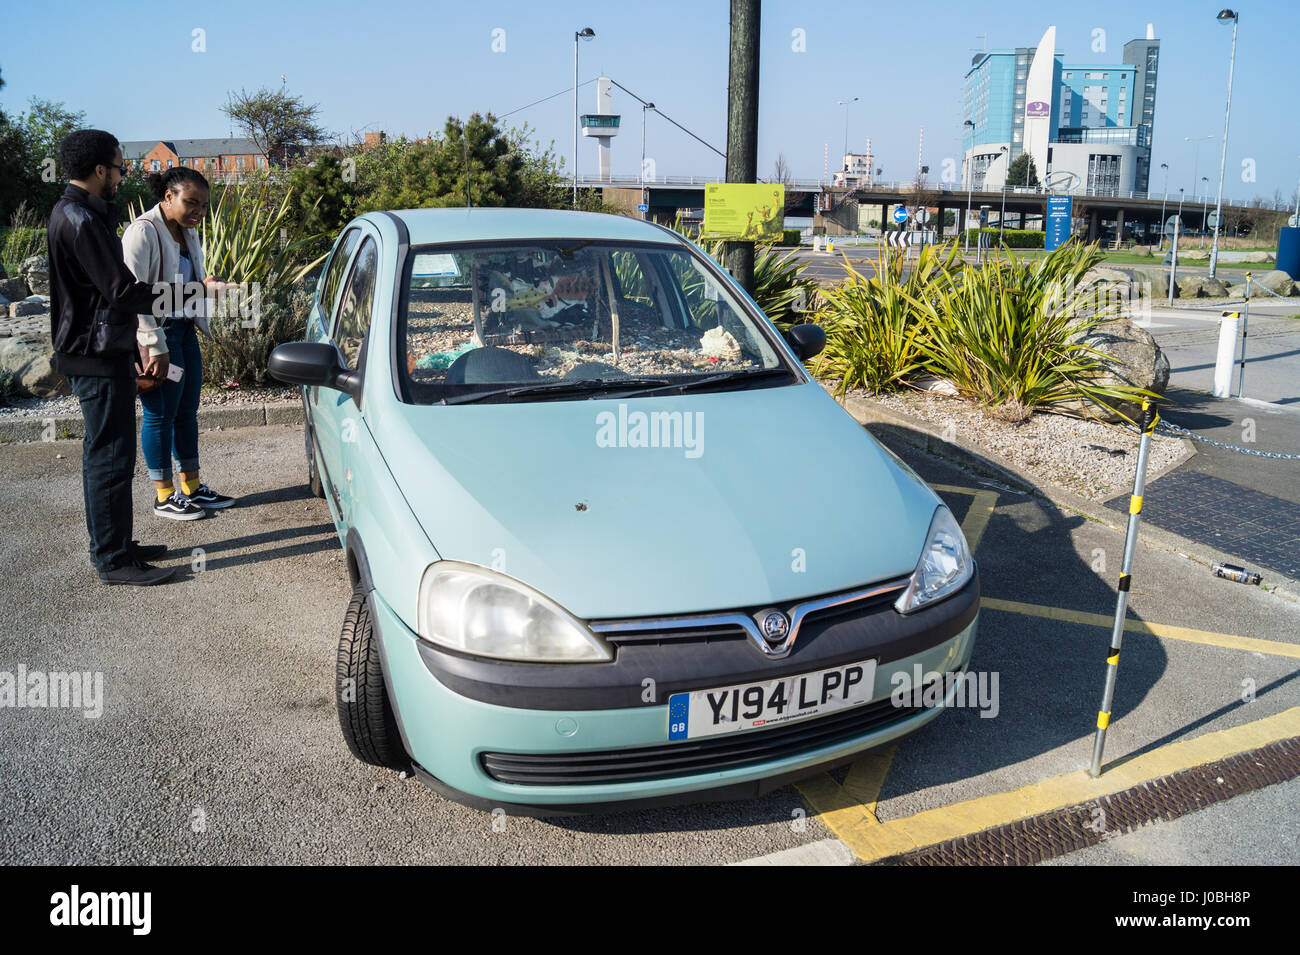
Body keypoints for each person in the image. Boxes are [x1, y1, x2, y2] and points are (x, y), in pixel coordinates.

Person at [47, 129, 220, 585]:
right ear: (101, 168)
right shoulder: (82, 218)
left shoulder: (78, 212)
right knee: (109, 458)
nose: (123, 176)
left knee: (107, 456)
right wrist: (195, 290)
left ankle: (117, 545)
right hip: (96, 353)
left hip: (96, 350)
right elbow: (124, 291)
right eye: (120, 167)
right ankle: (113, 560)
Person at [122, 167, 235, 518]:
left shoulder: (189, 232)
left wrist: (208, 288)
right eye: (191, 202)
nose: (198, 211)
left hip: (185, 330)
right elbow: (134, 296)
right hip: (160, 334)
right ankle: (164, 496)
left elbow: (188, 284)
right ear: (167, 197)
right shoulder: (142, 232)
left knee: (187, 411)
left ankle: (192, 487)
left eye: (203, 204)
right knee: (159, 414)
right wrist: (154, 345)